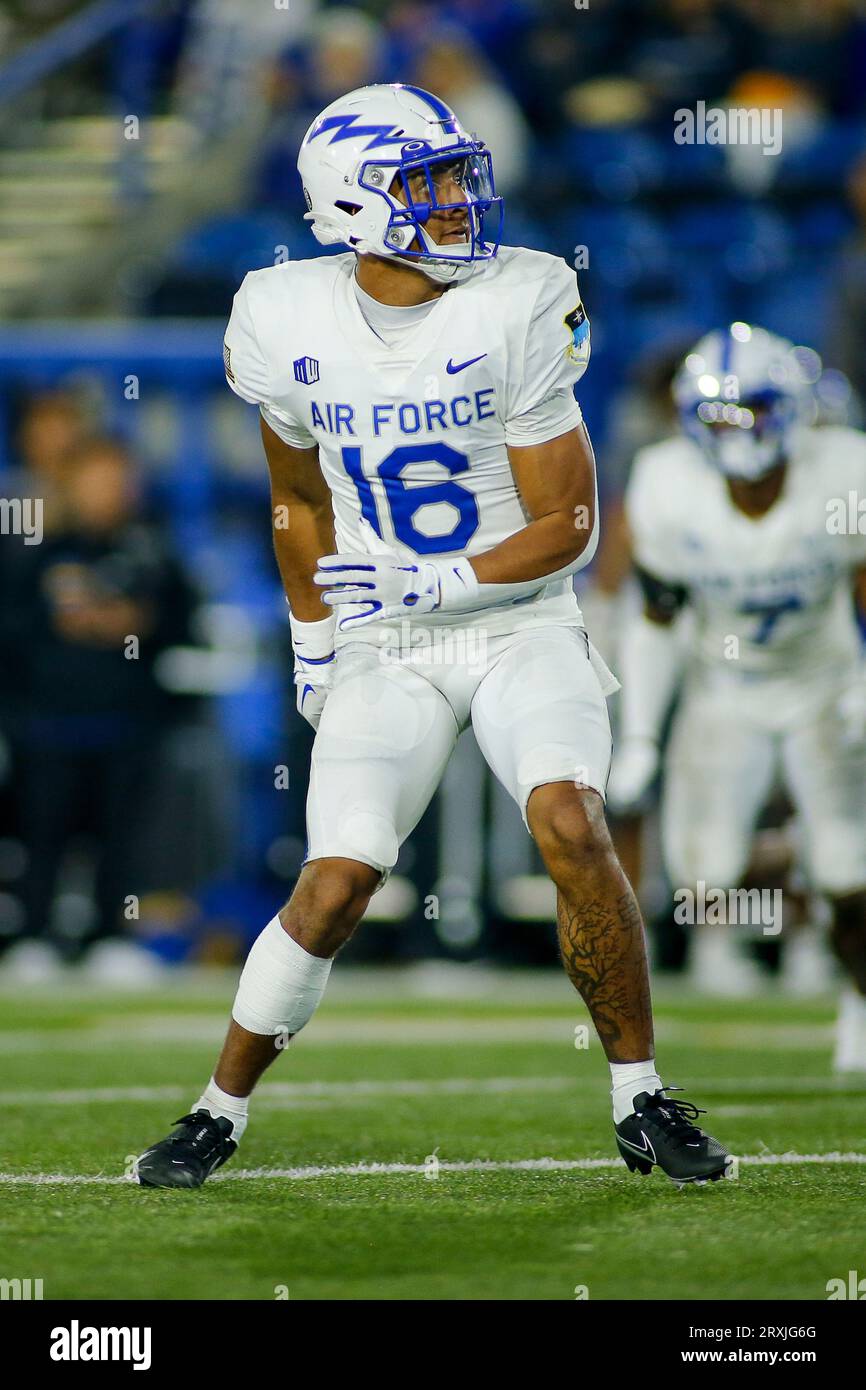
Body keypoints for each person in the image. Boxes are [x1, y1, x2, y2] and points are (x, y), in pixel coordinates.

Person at [135, 82, 728, 1189]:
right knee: (337, 881)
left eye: (458, 176)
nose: (459, 199)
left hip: (515, 620)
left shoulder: (521, 297)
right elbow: (297, 504)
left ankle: (639, 1096)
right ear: (352, 205)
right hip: (381, 637)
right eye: (429, 182)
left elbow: (568, 522)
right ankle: (214, 1110)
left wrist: (440, 577)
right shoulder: (280, 312)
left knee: (569, 820)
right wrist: (314, 641)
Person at [608, 324, 866, 1064]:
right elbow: (656, 618)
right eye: (722, 414)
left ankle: (857, 993)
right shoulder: (667, 483)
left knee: (850, 864)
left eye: (752, 409)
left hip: (825, 679)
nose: (739, 429)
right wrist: (641, 738)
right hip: (725, 685)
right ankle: (794, 901)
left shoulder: (844, 470)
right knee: (705, 872)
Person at [1, 435, 196, 977]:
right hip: (47, 725)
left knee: (120, 838)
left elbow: (183, 623)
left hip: (126, 724)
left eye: (117, 480)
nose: (108, 493)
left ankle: (111, 934)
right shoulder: (34, 549)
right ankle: (35, 935)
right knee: (44, 834)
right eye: (96, 479)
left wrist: (136, 624)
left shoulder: (152, 551)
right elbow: (11, 632)